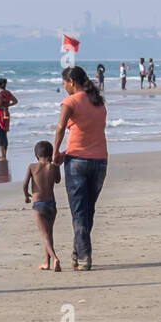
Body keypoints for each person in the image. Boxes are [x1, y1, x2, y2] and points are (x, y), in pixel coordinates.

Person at [53, 65, 108, 270]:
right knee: (87, 210)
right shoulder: (98, 102)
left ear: (71, 82)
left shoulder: (70, 101)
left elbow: (60, 128)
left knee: (79, 211)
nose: (64, 87)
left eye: (64, 83)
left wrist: (54, 154)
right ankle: (78, 253)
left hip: (77, 161)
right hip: (100, 161)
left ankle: (84, 257)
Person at [24, 140, 63, 271]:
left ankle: (54, 258)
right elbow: (58, 180)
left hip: (38, 205)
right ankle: (46, 262)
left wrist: (26, 195)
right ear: (51, 154)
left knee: (44, 235)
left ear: (36, 156)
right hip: (51, 205)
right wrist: (56, 165)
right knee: (49, 233)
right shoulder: (52, 167)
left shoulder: (32, 167)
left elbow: (24, 184)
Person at [0, 78, 18, 159]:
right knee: (4, 134)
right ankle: (5, 154)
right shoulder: (8, 93)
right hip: (6, 114)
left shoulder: (0, 94)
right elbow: (15, 101)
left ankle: (2, 155)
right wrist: (7, 105)